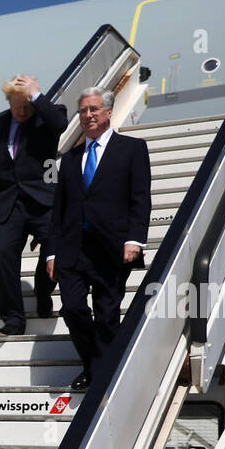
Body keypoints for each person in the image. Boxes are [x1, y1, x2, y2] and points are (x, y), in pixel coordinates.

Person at [46, 87, 151, 390]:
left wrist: (135, 239)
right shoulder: (70, 158)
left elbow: (140, 199)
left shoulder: (132, 149)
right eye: (83, 111)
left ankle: (99, 374)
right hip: (72, 248)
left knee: (106, 315)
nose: (88, 115)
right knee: (73, 308)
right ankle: (97, 365)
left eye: (93, 109)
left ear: (108, 112)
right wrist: (51, 253)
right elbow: (60, 210)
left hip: (112, 247)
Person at [0, 74, 67, 335]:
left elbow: (60, 124)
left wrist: (36, 94)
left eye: (27, 105)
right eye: (17, 106)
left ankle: (43, 293)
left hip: (43, 200)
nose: (22, 111)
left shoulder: (48, 117)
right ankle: (14, 319)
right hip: (6, 204)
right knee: (3, 258)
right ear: (8, 102)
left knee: (55, 251)